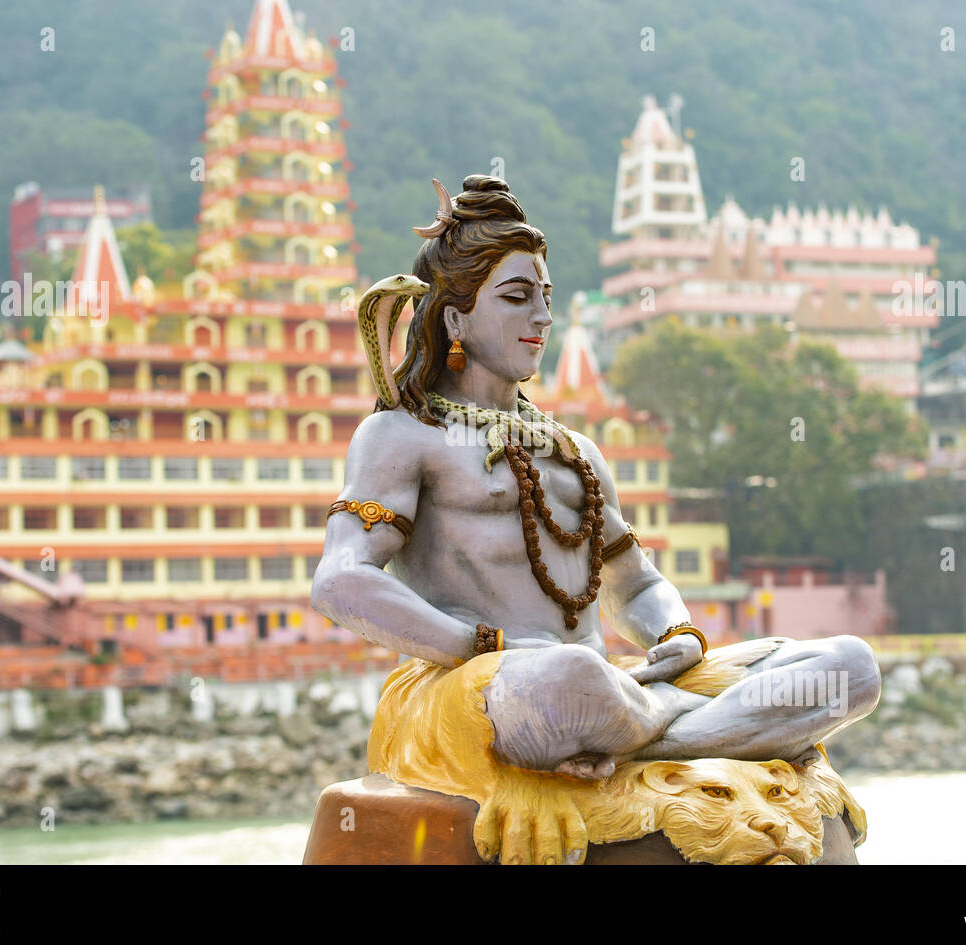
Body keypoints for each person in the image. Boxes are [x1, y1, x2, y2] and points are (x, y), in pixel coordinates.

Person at [311, 175, 879, 856]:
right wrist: (480, 646)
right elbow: (341, 580)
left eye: (546, 299)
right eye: (517, 298)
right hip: (489, 686)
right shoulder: (404, 434)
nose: (541, 318)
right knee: (569, 680)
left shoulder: (574, 451)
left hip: (614, 689)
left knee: (848, 665)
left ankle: (653, 727)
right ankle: (713, 724)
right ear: (453, 318)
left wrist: (675, 632)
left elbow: (633, 583)